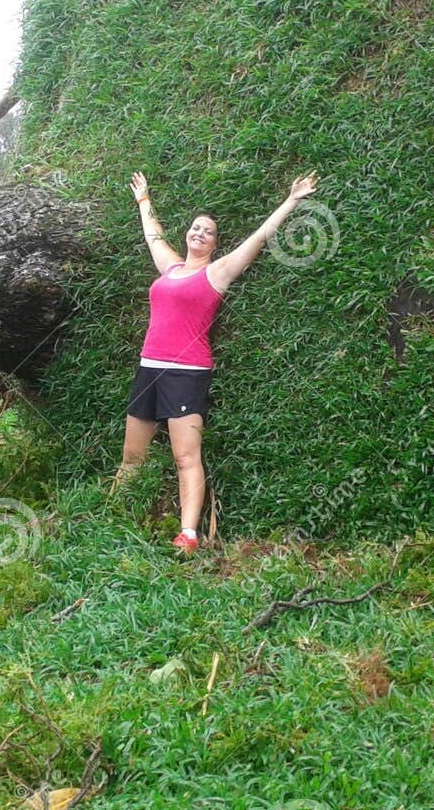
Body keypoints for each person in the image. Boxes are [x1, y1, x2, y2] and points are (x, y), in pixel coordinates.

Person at [116, 168, 321, 553]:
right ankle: (116, 518)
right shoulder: (171, 268)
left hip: (188, 373)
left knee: (185, 455)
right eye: (195, 228)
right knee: (132, 457)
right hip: (149, 368)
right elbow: (153, 237)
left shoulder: (217, 273)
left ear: (214, 243)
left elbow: (258, 238)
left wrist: (291, 200)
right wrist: (144, 201)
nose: (199, 233)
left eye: (207, 231)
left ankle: (188, 534)